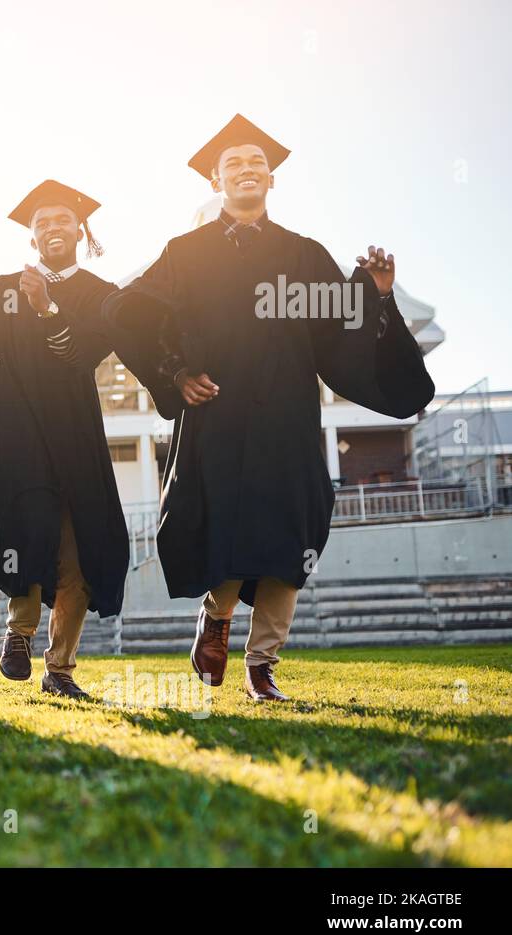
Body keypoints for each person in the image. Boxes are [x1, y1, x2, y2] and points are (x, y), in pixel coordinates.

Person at [103, 115, 435, 701]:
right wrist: (175, 374)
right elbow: (133, 315)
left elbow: (341, 330)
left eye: (258, 163)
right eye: (234, 163)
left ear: (272, 180)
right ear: (216, 179)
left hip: (286, 416)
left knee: (289, 530)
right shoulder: (186, 254)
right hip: (219, 412)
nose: (247, 170)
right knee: (227, 526)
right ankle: (217, 615)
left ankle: (263, 666)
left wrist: (375, 295)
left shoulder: (304, 255)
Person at [0, 180, 130, 699]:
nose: (53, 228)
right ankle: (18, 635)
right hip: (21, 431)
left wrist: (47, 308)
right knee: (25, 532)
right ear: (31, 237)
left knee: (81, 555)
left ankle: (61, 669)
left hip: (76, 436)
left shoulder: (101, 293)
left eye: (62, 220)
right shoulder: (3, 287)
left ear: (80, 229)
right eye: (42, 223)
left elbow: (81, 356)